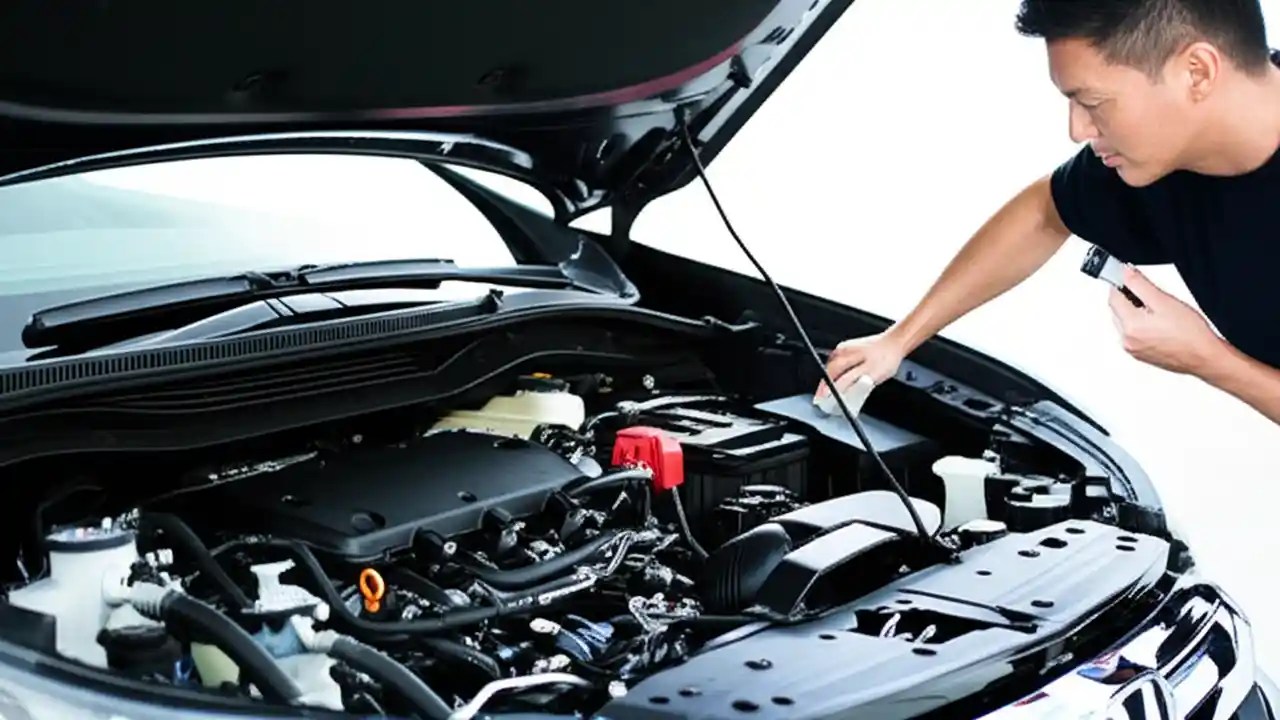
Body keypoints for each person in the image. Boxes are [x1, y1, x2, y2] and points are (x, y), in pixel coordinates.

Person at [817, 0, 1280, 424]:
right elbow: (1045, 211)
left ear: (1197, 72)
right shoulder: (1165, 155)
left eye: (1093, 103)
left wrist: (1207, 358)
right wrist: (899, 340)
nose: (1077, 129)